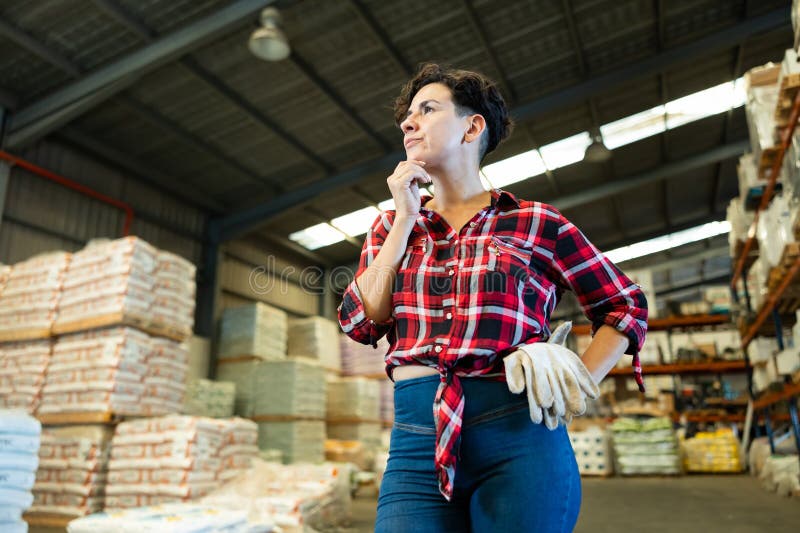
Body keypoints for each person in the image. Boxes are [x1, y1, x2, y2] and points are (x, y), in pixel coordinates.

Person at [338, 63, 648, 532]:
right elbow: (362, 322)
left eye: (427, 109)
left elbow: (625, 304)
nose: (408, 123)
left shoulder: (537, 223)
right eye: (407, 116)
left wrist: (578, 378)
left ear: (472, 126)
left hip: (519, 435)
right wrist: (403, 220)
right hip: (417, 437)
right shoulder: (391, 226)